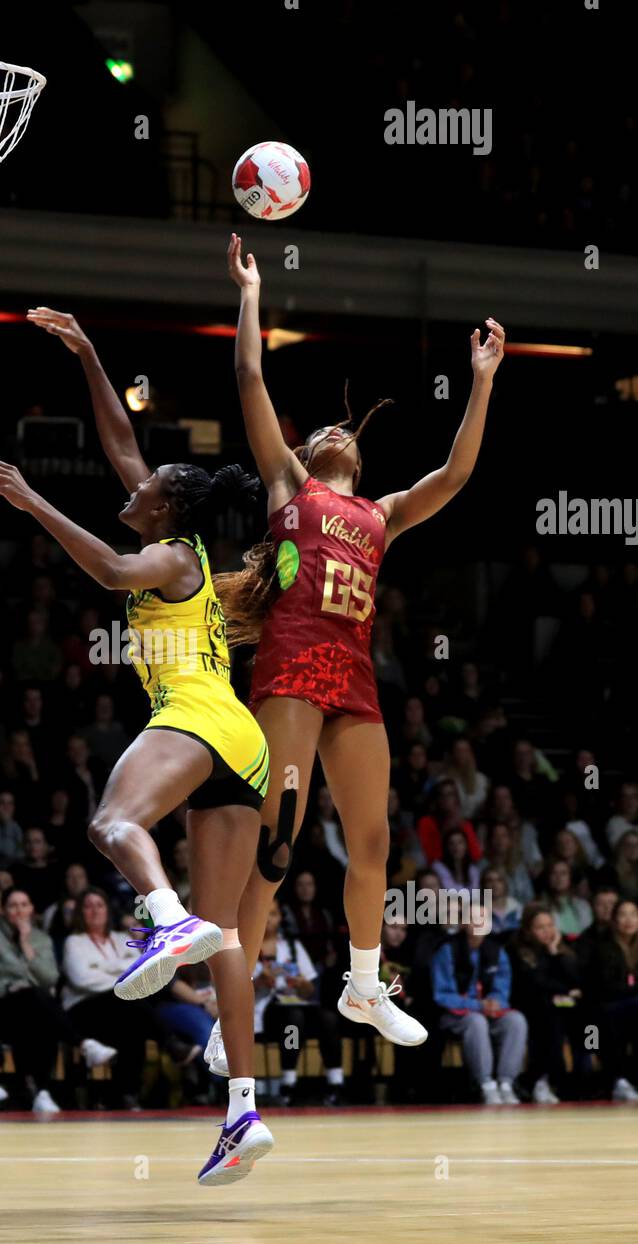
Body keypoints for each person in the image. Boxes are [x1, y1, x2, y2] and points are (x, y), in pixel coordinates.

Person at [205, 234, 503, 1067]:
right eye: (326, 427)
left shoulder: (385, 512)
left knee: (372, 844)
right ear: (308, 455)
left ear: (361, 461)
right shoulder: (285, 488)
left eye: (349, 428)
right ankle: (236, 1017)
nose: (338, 429)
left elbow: (455, 473)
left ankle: (363, 984)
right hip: (292, 671)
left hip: (354, 684)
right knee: (275, 848)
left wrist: (480, 384)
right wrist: (251, 293)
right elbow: (250, 380)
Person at [0, 342, 275, 1183]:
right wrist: (85, 353)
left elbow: (112, 569)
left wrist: (31, 498)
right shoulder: (177, 543)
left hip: (193, 713)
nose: (131, 487)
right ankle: (244, 1108)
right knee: (226, 940)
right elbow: (119, 442)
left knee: (112, 822)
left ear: (168, 506)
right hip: (240, 741)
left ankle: (162, 913)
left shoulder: (171, 555)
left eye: (143, 488)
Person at [0, 887, 116, 1114]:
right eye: (13, 905)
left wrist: (27, 945)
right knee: (37, 1002)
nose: (19, 910)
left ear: (32, 909)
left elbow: (50, 978)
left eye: (24, 905)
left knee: (38, 1011)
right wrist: (8, 986)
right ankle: (80, 1047)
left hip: (31, 1007)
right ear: (4, 910)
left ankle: (39, 1091)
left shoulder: (40, 938)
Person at [61, 888, 176, 1108]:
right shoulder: (73, 942)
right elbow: (82, 979)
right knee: (132, 1007)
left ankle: (122, 1094)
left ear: (108, 910)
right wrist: (121, 973)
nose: (95, 911)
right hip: (83, 1009)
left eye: (100, 905)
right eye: (88, 906)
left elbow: (141, 971)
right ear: (80, 913)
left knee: (132, 1026)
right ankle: (168, 1043)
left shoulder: (123, 938)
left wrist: (103, 969)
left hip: (120, 1009)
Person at [431, 906, 528, 1104]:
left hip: (488, 1012)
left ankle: (506, 1083)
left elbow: (502, 989)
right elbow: (442, 995)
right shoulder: (447, 950)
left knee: (516, 1021)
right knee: (476, 1022)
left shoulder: (497, 951)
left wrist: (494, 1002)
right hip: (454, 1016)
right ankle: (486, 1084)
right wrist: (477, 1005)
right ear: (464, 923)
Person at [255, 901, 343, 1105]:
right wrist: (259, 982)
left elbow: (309, 989)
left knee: (328, 1019)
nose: (269, 919)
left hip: (296, 1007)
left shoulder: (292, 947)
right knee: (292, 1020)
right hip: (265, 1012)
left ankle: (335, 1082)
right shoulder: (247, 945)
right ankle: (288, 1083)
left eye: (274, 914)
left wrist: (301, 983)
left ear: (280, 918)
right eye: (264, 914)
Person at [509, 904, 582, 1104]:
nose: (547, 931)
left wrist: (554, 952)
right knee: (550, 1018)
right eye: (540, 927)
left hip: (560, 1004)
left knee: (587, 1017)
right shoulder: (519, 950)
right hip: (529, 1004)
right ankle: (542, 1079)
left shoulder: (562, 948)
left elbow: (575, 979)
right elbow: (534, 982)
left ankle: (583, 1078)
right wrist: (564, 990)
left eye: (550, 925)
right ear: (528, 930)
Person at [587, 897, 638, 1101]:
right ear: (614, 920)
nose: (629, 920)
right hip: (605, 1008)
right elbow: (608, 988)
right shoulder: (604, 947)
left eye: (634, 914)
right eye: (623, 914)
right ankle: (618, 1079)